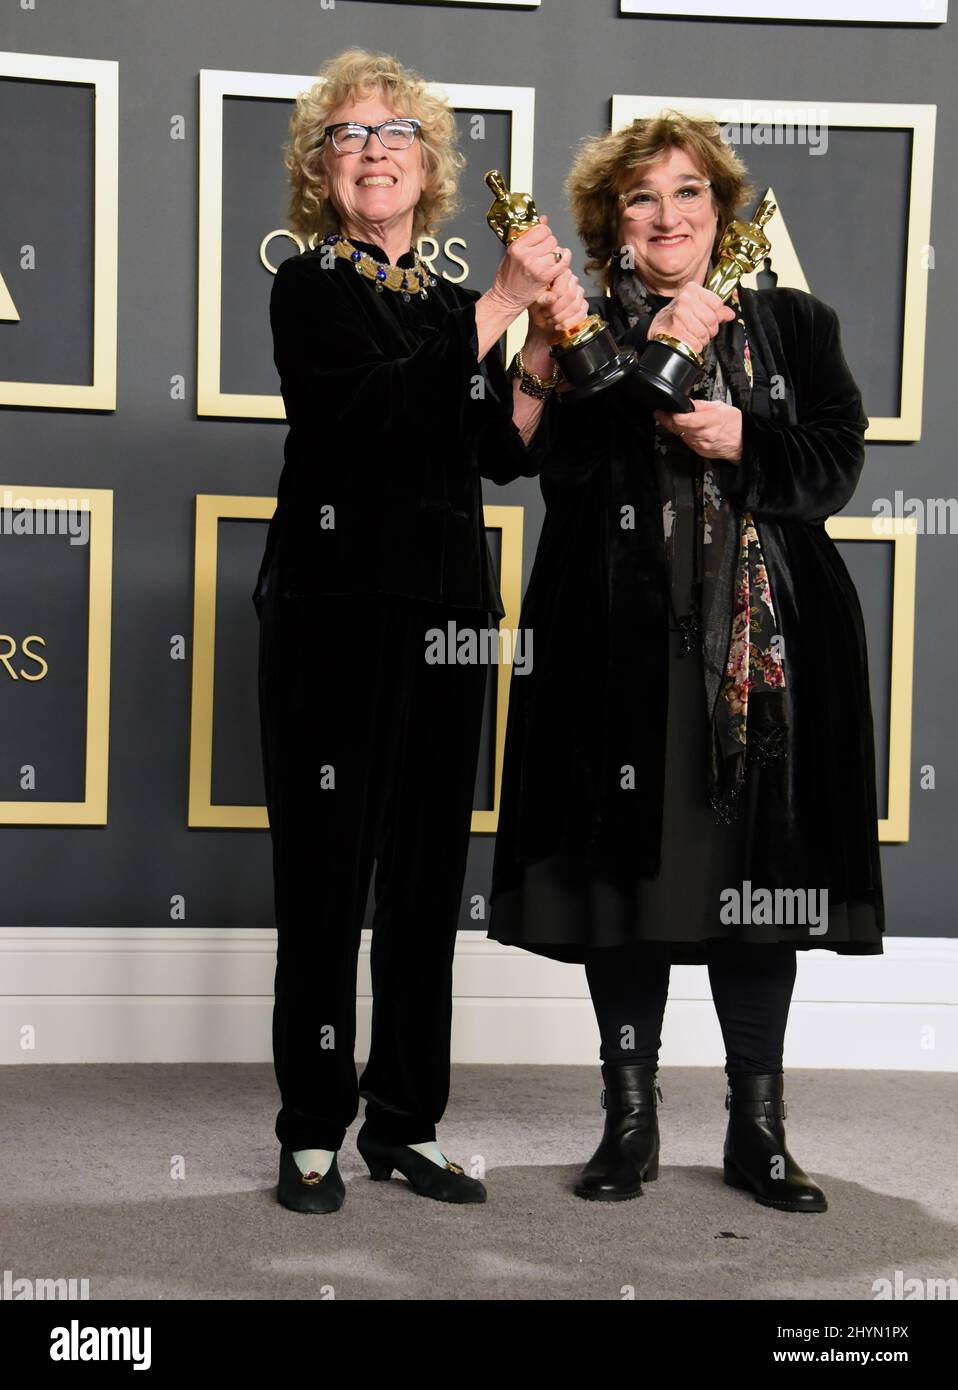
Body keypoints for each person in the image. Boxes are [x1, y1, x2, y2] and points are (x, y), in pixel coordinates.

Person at [489, 110, 885, 1210]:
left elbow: (835, 461)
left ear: (723, 211)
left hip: (762, 654)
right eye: (642, 198)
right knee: (626, 885)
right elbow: (542, 464)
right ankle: (628, 1123)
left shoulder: (797, 324)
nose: (668, 216)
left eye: (689, 194)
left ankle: (757, 1131)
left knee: (753, 883)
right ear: (611, 222)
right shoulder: (576, 333)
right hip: (612, 642)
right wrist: (628, 350)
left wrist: (747, 441)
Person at [252, 48, 574, 1213]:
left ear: (427, 165)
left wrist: (536, 342)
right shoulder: (308, 286)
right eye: (348, 133)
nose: (374, 147)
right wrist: (499, 303)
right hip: (333, 617)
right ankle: (310, 1128)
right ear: (318, 168)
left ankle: (404, 1122)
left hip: (448, 619)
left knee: (429, 884)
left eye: (396, 132)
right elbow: (381, 416)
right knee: (327, 882)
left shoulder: (448, 304)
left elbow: (498, 451)